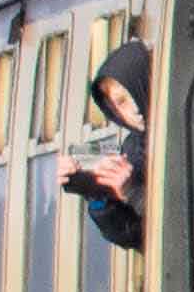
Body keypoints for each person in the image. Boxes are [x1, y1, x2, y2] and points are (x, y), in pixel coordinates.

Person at [60, 39, 153, 252]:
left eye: (131, 96)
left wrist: (133, 192)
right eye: (120, 103)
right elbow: (134, 236)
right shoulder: (132, 150)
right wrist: (97, 193)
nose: (133, 110)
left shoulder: (189, 127)